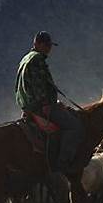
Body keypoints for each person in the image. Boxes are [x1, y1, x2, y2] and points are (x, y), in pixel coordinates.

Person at [15, 31, 84, 173]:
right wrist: (46, 104)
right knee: (74, 126)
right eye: (46, 45)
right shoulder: (37, 59)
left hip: (28, 104)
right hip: (39, 105)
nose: (49, 48)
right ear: (37, 44)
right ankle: (62, 165)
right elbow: (38, 84)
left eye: (50, 45)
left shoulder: (26, 58)